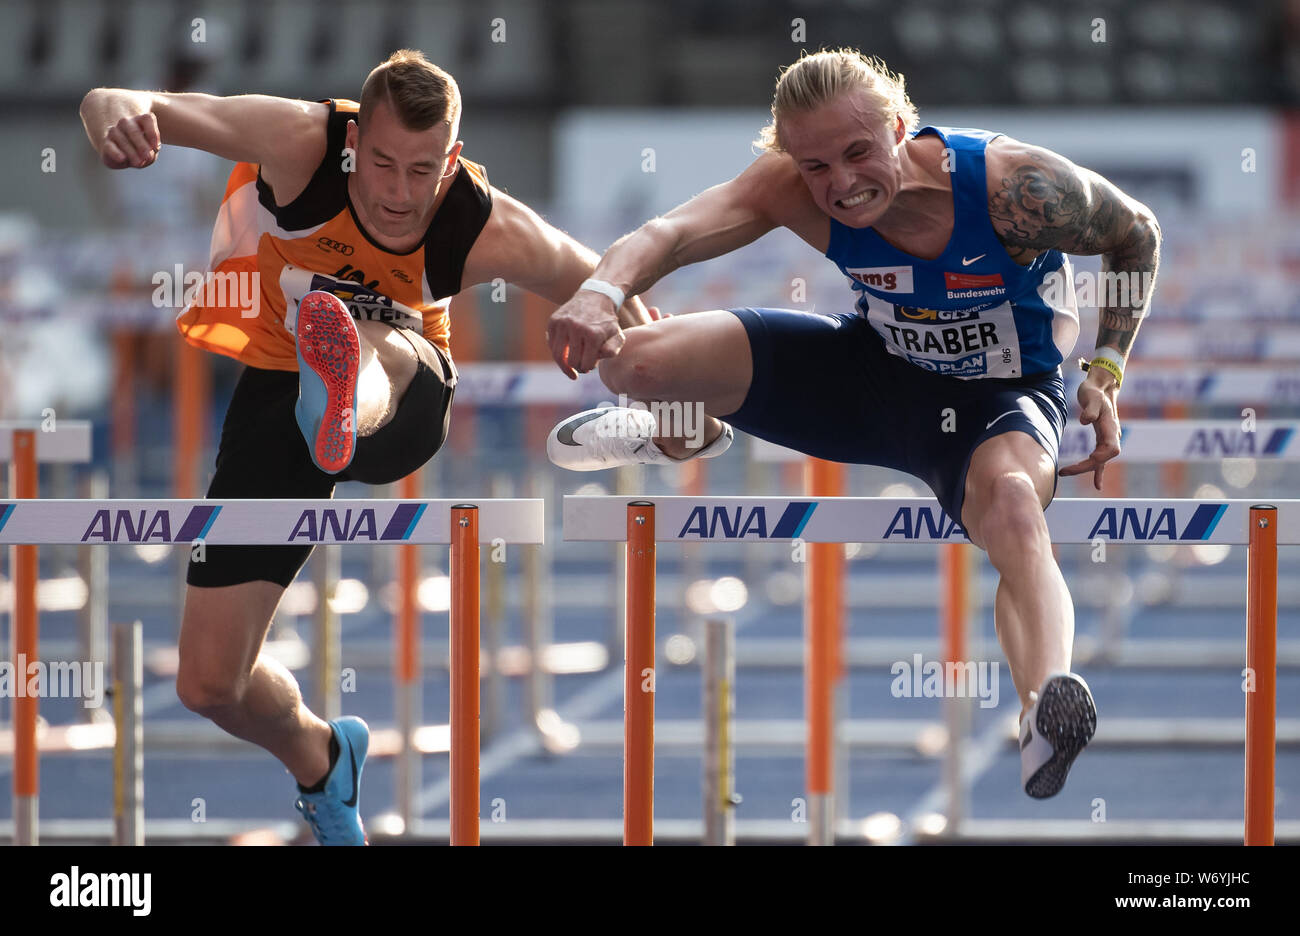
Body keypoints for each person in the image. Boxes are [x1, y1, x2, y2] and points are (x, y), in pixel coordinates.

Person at [544, 49, 1161, 799]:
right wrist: (600, 291)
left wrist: (1106, 370)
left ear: (903, 126)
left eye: (859, 152)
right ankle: (687, 428)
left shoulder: (1014, 190)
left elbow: (1138, 235)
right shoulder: (788, 185)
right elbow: (671, 232)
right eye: (814, 167)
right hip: (870, 374)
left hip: (997, 401)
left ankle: (1044, 708)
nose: (840, 185)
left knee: (1012, 508)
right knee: (630, 363)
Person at [80, 49, 655, 844]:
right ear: (353, 144)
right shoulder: (298, 140)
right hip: (278, 394)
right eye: (380, 163)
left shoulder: (481, 221)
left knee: (374, 335)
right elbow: (135, 96)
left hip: (408, 392)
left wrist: (671, 397)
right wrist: (109, 113)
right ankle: (321, 757)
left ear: (449, 161)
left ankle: (345, 387)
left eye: (421, 170)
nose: (397, 191)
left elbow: (618, 294)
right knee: (208, 682)